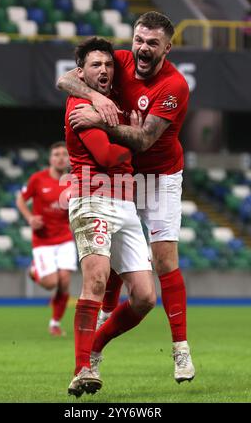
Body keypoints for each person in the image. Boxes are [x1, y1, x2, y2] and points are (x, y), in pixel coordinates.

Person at [57, 11, 195, 383]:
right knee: (112, 257)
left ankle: (181, 350)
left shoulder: (175, 85)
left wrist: (103, 120)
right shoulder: (117, 60)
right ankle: (102, 319)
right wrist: (93, 97)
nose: (142, 48)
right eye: (138, 39)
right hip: (121, 180)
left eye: (152, 43)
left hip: (161, 174)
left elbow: (145, 139)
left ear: (168, 46)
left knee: (164, 260)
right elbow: (65, 79)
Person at [64, 37, 156, 397]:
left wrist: (122, 128)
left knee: (146, 298)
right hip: (92, 198)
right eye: (95, 65)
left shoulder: (112, 103)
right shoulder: (77, 104)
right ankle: (80, 369)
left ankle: (96, 347)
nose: (103, 70)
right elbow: (108, 156)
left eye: (107, 65)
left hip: (125, 205)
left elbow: (124, 150)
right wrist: (133, 134)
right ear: (81, 72)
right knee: (97, 281)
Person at [16, 142, 77, 337]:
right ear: (50, 159)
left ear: (69, 158)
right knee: (51, 283)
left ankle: (55, 323)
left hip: (65, 237)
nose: (60, 158)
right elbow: (21, 199)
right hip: (43, 240)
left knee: (65, 280)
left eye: (63, 154)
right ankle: (35, 271)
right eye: (56, 154)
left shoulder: (74, 181)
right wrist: (30, 218)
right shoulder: (38, 179)